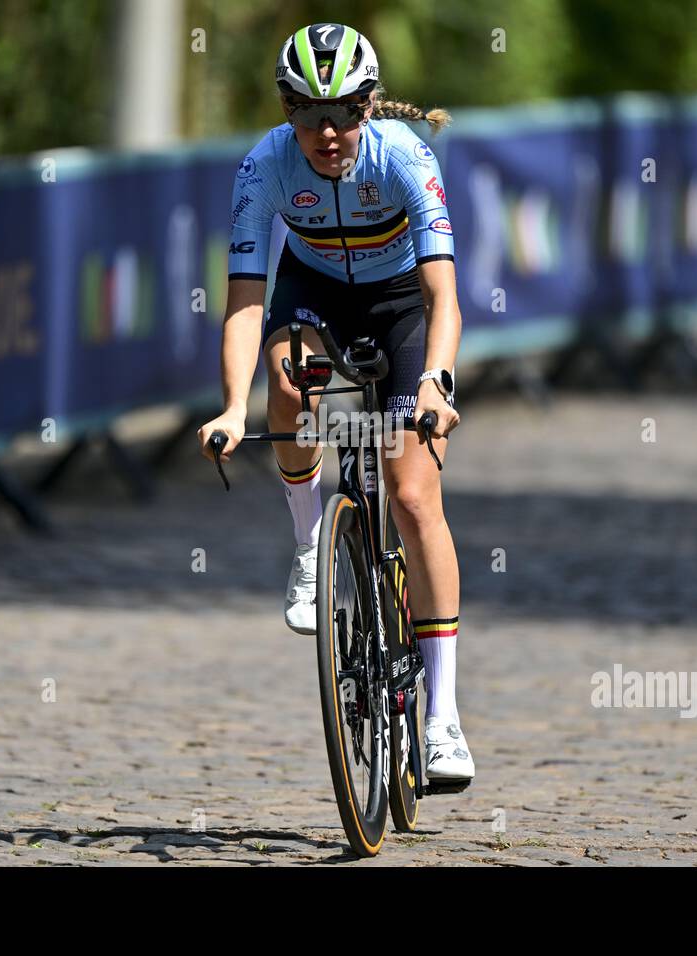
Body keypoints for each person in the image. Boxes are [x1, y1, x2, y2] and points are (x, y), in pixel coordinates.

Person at [196, 22, 473, 783]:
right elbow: (247, 301)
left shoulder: (405, 157)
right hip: (314, 293)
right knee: (290, 382)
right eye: (308, 112)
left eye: (344, 112)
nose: (326, 131)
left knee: (413, 497)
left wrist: (434, 384)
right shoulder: (264, 168)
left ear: (369, 106)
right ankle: (313, 544)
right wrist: (230, 406)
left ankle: (444, 717)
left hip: (399, 305)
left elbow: (444, 296)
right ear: (286, 110)